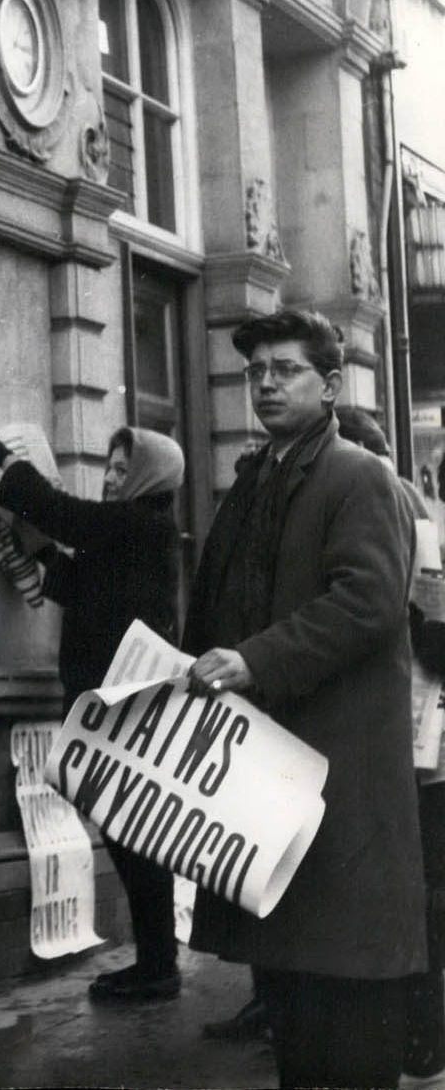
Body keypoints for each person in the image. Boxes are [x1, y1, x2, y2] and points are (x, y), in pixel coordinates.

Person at [183, 309, 425, 1090]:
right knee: (295, 1009)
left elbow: (369, 602)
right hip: (273, 780)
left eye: (285, 369)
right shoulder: (256, 480)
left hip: (341, 779)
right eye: (256, 370)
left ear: (330, 385)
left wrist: (252, 661)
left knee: (349, 1010)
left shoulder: (359, 476)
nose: (265, 383)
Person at [0, 419, 185, 1001]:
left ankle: (158, 966)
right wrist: (37, 553)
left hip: (121, 706)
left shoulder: (140, 523)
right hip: (110, 703)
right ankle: (156, 961)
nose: (111, 479)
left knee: (132, 833)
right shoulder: (131, 531)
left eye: (122, 470)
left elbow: (59, 512)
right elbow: (78, 584)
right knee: (127, 831)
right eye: (109, 468)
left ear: (149, 477)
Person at [333, 405, 445, 1080]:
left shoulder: (400, 509)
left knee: (417, 888)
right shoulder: (402, 507)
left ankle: (423, 1038)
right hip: (398, 737)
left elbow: (436, 635)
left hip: (415, 737)